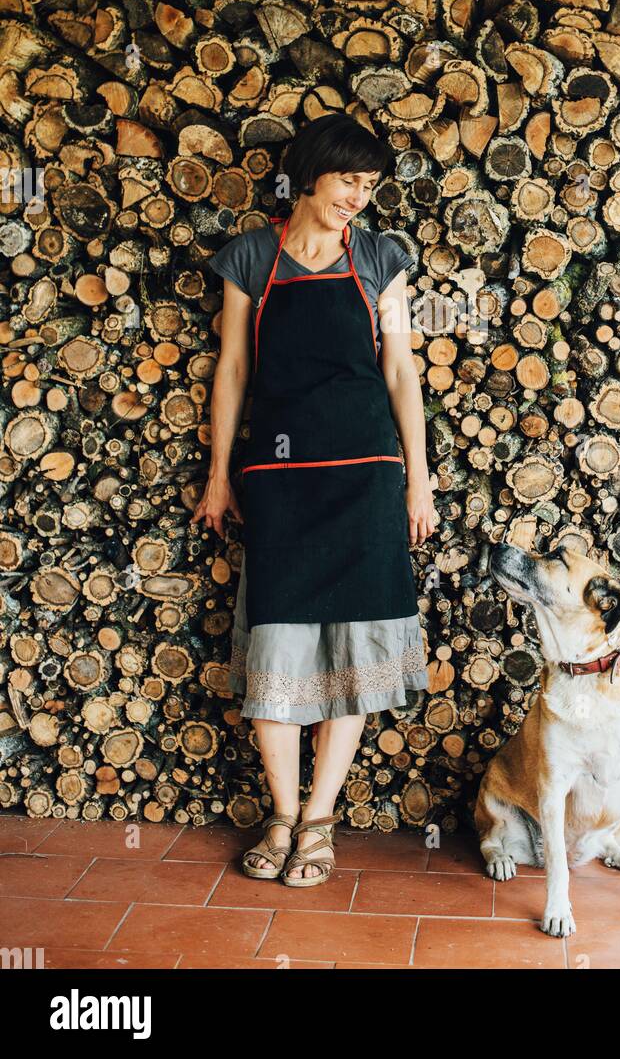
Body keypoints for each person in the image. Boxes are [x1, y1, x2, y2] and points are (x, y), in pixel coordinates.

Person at [192, 113, 437, 885]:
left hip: (366, 477)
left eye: (370, 188)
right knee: (277, 649)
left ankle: (320, 822)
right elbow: (232, 370)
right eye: (349, 182)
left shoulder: (379, 259)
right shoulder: (250, 257)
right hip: (279, 480)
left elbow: (401, 371)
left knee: (356, 655)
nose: (358, 200)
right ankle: (282, 816)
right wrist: (218, 474)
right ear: (310, 175)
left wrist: (418, 481)